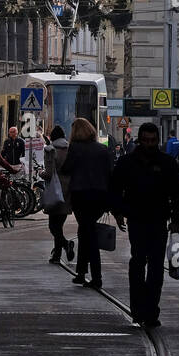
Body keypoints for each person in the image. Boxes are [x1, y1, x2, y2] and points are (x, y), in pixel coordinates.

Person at [110, 123, 179, 328]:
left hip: (159, 219)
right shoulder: (127, 162)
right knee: (137, 262)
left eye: (153, 141)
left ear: (157, 140)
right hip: (136, 219)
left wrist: (177, 220)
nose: (149, 144)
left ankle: (151, 310)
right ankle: (137, 308)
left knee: (155, 267)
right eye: (146, 140)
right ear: (139, 140)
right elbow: (115, 188)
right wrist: (118, 212)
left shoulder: (167, 163)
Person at [59, 118, 115, 290]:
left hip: (81, 196)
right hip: (99, 197)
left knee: (87, 234)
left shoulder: (75, 148)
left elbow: (66, 169)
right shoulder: (103, 149)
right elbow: (110, 175)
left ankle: (96, 277)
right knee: (85, 231)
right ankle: (81, 272)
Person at [42, 125, 75, 263]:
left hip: (55, 190)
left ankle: (66, 245)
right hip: (68, 190)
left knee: (53, 226)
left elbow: (49, 173)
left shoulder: (50, 150)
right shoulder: (70, 149)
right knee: (59, 224)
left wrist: (41, 173)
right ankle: (57, 255)